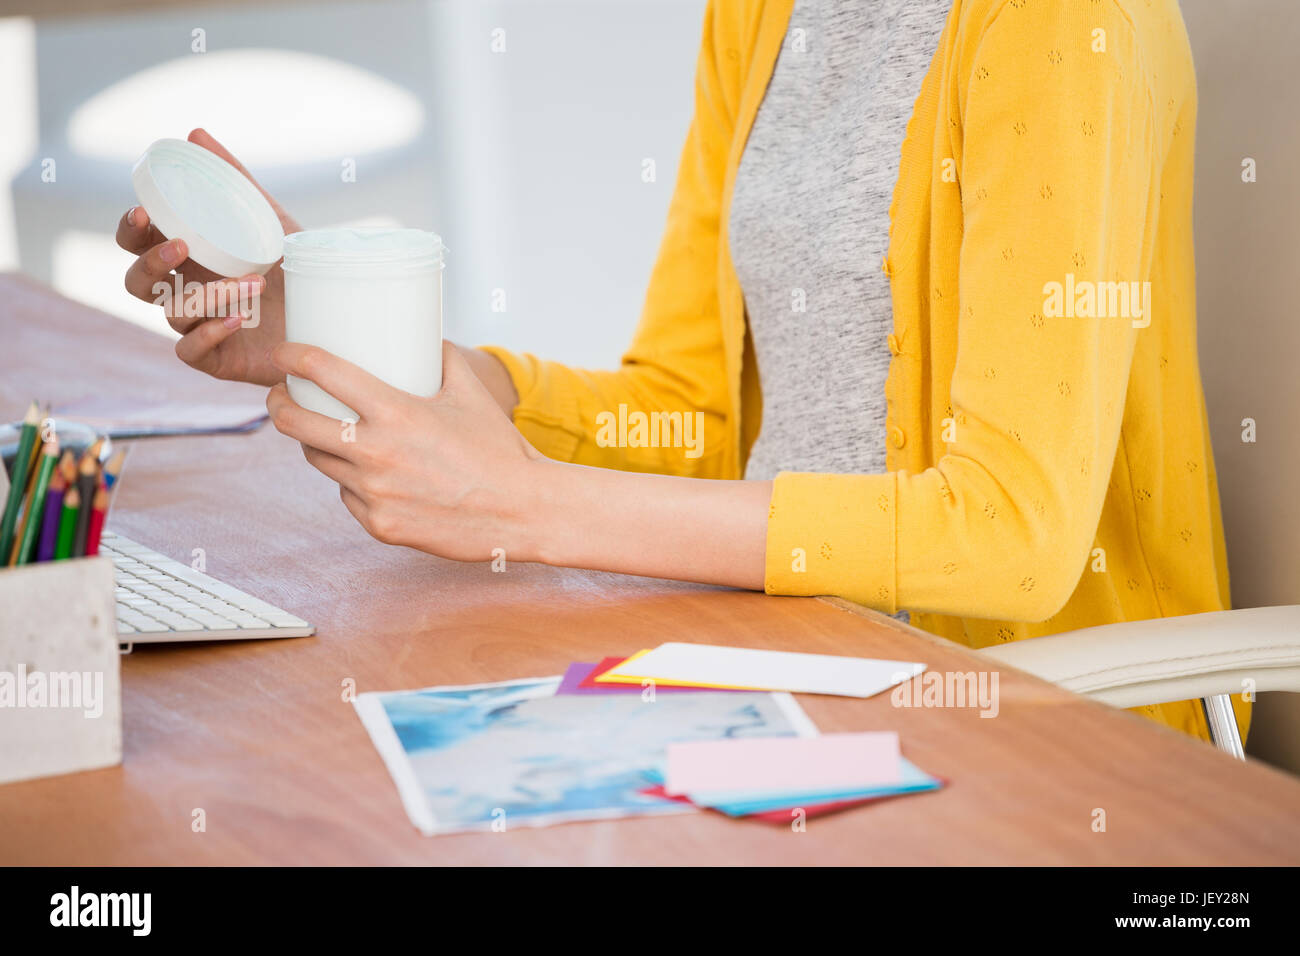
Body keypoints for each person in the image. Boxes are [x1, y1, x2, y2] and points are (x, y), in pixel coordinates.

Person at [116, 0, 1247, 743]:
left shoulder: (1066, 23)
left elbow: (1014, 532)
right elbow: (691, 418)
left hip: (1030, 720)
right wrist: (351, 341)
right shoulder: (759, 13)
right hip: (791, 664)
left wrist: (528, 505)